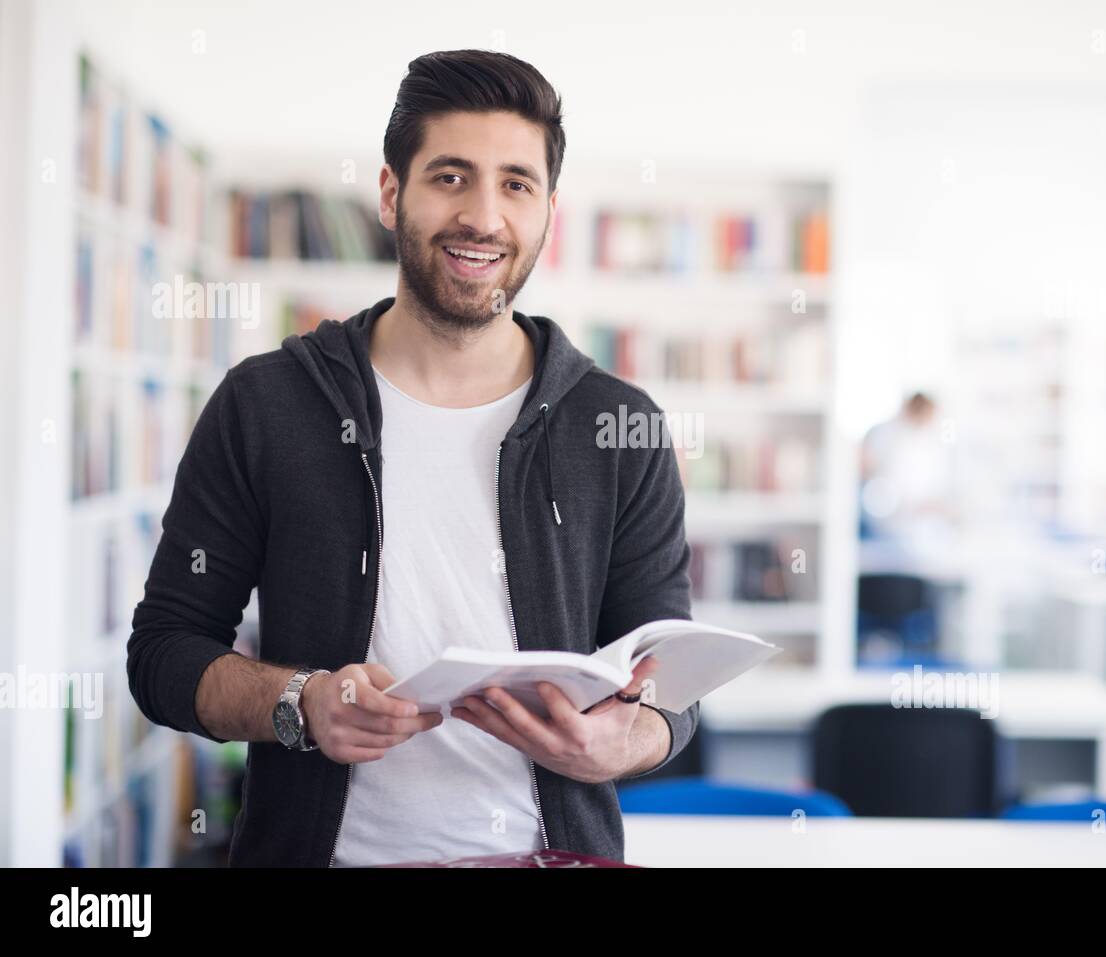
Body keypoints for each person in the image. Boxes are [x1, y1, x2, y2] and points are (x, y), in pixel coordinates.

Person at [127, 50, 696, 867]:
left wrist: (622, 743)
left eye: (516, 184)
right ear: (392, 194)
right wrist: (301, 702)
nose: (483, 217)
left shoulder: (620, 425)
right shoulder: (266, 405)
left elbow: (669, 687)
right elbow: (164, 651)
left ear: (548, 213)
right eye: (451, 177)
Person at [858, 391, 957, 548]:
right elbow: (872, 480)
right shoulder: (884, 434)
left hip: (914, 533)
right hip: (880, 529)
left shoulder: (929, 444)